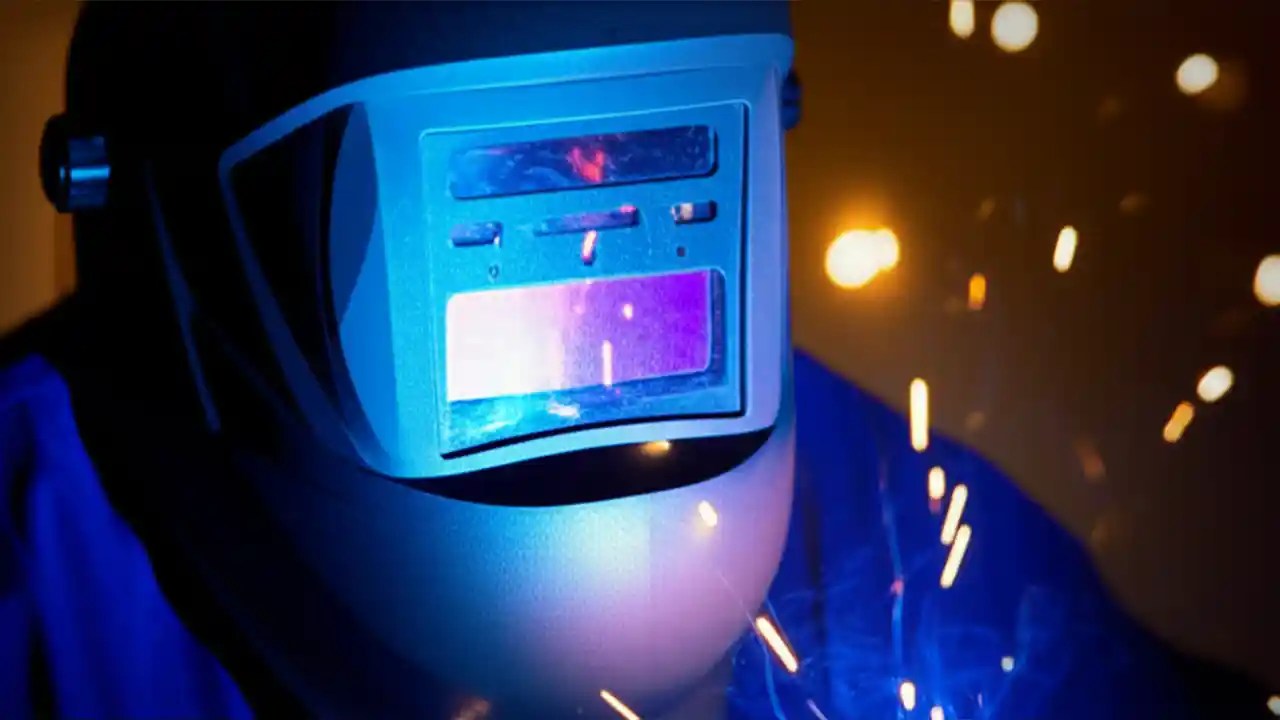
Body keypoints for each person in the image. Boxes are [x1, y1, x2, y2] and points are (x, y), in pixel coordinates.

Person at [0, 3, 1271, 718]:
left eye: (649, 175)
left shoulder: (873, 516)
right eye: (530, 200)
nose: (591, 339)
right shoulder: (36, 561)